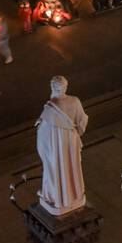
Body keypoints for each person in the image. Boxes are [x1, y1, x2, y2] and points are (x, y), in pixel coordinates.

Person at [35, 76, 90, 216]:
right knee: (72, 168)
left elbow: (43, 136)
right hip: (71, 140)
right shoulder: (75, 101)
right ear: (66, 87)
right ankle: (74, 195)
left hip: (55, 144)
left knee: (56, 169)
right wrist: (75, 132)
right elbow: (82, 121)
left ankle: (58, 198)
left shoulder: (51, 106)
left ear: (53, 88)